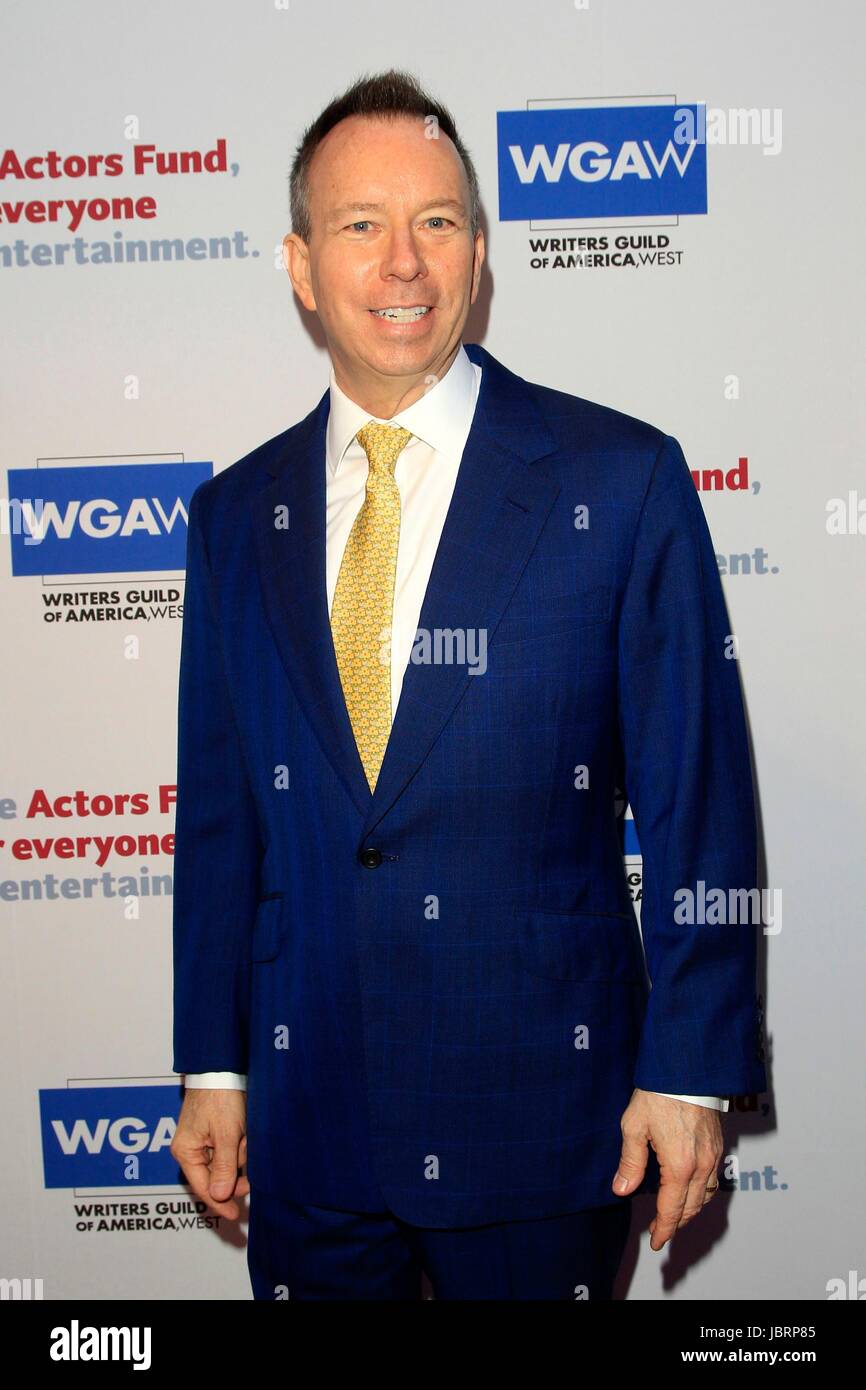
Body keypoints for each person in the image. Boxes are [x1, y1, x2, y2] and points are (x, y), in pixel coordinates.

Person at [170, 68, 766, 1301]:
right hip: (309, 1120)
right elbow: (222, 820)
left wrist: (691, 1070)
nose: (403, 263)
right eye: (360, 225)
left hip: (547, 1119)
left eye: (435, 222)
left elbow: (697, 798)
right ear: (298, 263)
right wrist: (214, 1064)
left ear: (479, 255)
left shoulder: (619, 480)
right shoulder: (233, 517)